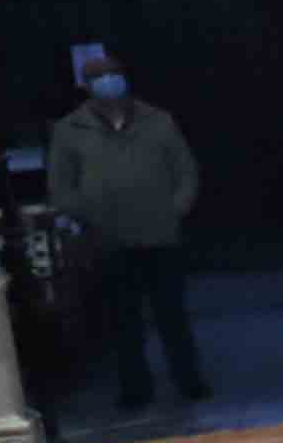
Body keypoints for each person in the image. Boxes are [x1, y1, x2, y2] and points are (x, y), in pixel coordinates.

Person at [47, 51, 206, 413]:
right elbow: (61, 186)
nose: (109, 80)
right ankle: (136, 388)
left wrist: (175, 209)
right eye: (99, 76)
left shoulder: (158, 121)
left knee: (172, 316)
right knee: (123, 321)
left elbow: (185, 171)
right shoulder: (70, 130)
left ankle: (189, 379)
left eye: (113, 73)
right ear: (85, 87)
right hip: (108, 240)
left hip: (159, 235)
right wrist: (87, 215)